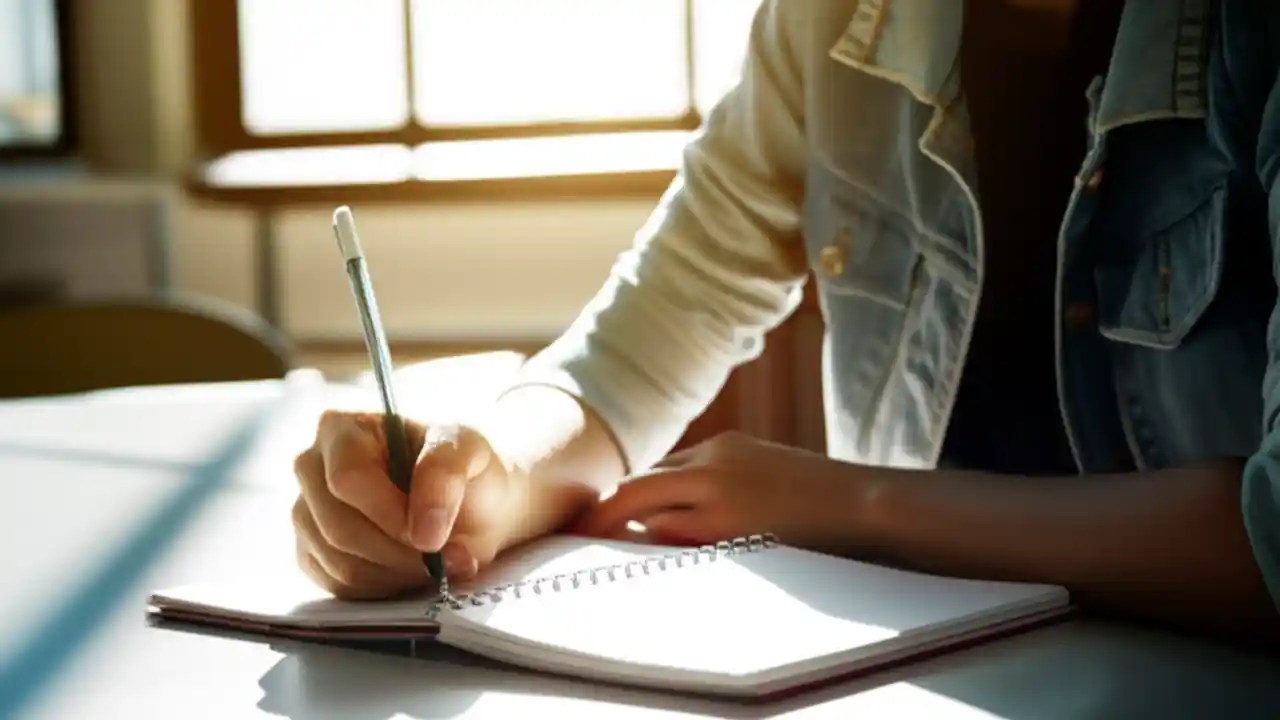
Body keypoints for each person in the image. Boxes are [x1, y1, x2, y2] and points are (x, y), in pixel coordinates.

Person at [290, 0, 1280, 643]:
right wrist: (486, 474)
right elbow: (650, 327)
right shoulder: (838, 19)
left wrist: (853, 507)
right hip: (921, 685)